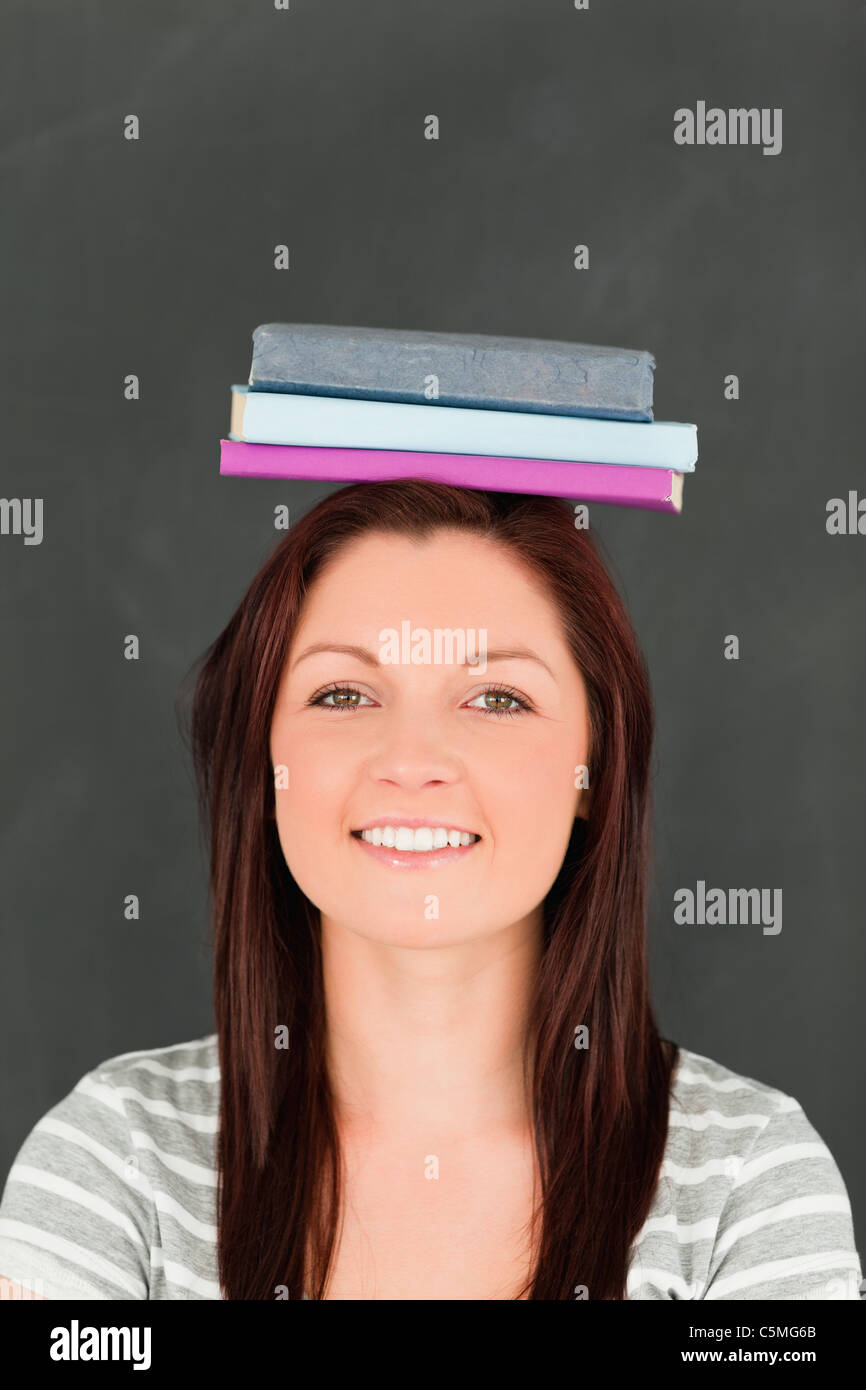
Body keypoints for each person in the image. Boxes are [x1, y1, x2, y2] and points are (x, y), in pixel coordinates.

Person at [0, 481, 860, 1300]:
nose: (411, 762)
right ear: (263, 765)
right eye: (343, 692)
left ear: (593, 771)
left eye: (496, 698)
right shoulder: (115, 1161)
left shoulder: (749, 1180)